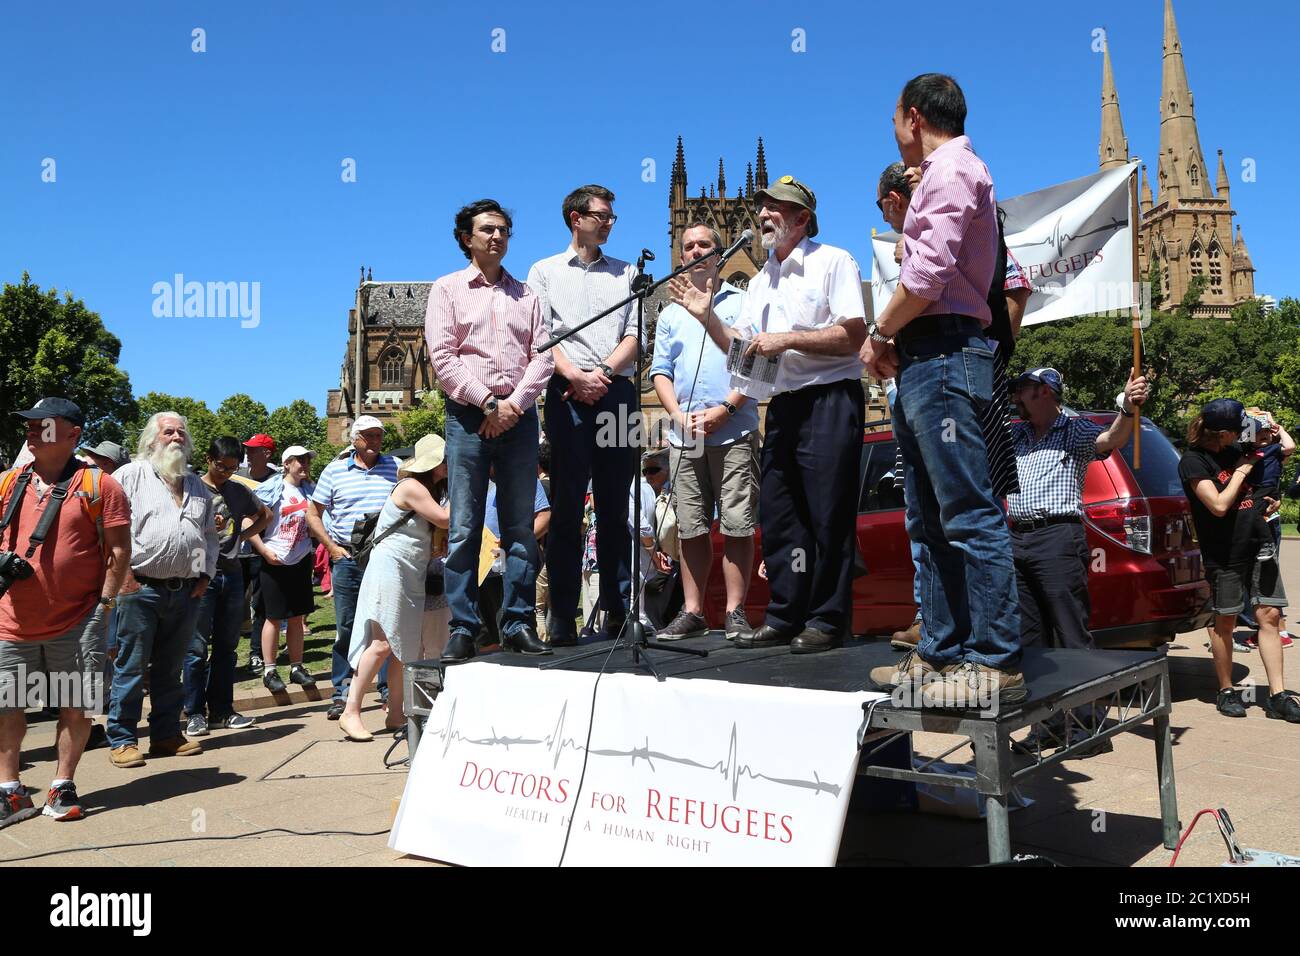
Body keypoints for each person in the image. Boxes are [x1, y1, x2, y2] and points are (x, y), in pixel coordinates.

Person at [862, 73, 1023, 708]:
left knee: (966, 512)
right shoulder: (939, 175)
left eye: (894, 121)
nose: (894, 133)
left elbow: (927, 273)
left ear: (912, 115)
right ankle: (945, 649)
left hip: (949, 351)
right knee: (928, 515)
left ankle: (993, 659)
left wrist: (878, 333)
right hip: (929, 353)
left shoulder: (952, 169)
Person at [669, 175, 867, 654]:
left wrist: (787, 338)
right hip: (782, 405)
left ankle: (827, 618)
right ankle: (786, 614)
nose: (763, 216)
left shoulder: (833, 261)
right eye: (761, 208)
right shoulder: (760, 281)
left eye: (775, 208)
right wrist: (707, 317)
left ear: (802, 218)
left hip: (829, 398)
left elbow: (854, 335)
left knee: (826, 515)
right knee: (781, 516)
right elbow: (743, 355)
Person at [875, 161, 1033, 650]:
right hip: (922, 371)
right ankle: (938, 629)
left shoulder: (966, 222)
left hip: (961, 367)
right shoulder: (915, 237)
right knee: (924, 515)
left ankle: (990, 648)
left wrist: (989, 346)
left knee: (970, 509)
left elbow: (1017, 286)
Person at [427, 198, 554, 664]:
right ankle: (464, 626)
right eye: (487, 230)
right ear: (467, 238)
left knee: (521, 526)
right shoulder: (447, 289)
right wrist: (487, 402)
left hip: (518, 419)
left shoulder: (529, 296)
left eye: (504, 230)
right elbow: (443, 357)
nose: (497, 236)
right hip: (467, 416)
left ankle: (517, 622)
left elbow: (542, 356)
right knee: (463, 526)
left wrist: (513, 406)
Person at [0, 399, 131, 825]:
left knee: (74, 706)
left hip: (78, 618)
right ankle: (11, 790)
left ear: (73, 434)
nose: (33, 431)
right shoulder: (6, 482)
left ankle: (62, 784)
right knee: (7, 705)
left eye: (44, 426)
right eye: (30, 425)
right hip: (10, 620)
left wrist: (105, 604)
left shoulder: (100, 485)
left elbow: (118, 550)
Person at [528, 184, 642, 647]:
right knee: (567, 508)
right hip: (566, 392)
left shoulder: (628, 271)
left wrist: (602, 373)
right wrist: (575, 376)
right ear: (576, 218)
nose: (610, 222)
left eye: (612, 216)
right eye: (602, 216)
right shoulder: (545, 272)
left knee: (616, 507)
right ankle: (561, 616)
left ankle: (617, 611)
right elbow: (539, 337)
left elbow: (634, 334)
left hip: (616, 392)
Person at [651, 224, 760, 642]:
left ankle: (735, 612)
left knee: (737, 524)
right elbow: (660, 371)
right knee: (691, 526)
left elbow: (753, 364)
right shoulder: (669, 312)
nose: (696, 250)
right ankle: (693, 611)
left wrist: (727, 408)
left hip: (733, 429)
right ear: (680, 257)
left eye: (705, 245)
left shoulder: (744, 301)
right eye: (689, 245)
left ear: (719, 252)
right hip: (685, 436)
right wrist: (676, 415)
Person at [108, 412, 218, 767]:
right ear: (151, 440)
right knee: (131, 667)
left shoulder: (197, 485)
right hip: (139, 587)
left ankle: (166, 735)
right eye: (168, 432)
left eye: (181, 433)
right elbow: (105, 528)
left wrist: (204, 573)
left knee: (170, 669)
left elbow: (208, 537)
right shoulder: (128, 476)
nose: (176, 438)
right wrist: (119, 575)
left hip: (185, 591)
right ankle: (123, 739)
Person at [1179, 399, 1299, 723]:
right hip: (1224, 553)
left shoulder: (1238, 450)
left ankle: (1278, 695)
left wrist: (1271, 502)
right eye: (1238, 428)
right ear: (1223, 432)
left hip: (1258, 544)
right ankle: (1226, 690)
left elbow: (1261, 485)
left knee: (1270, 616)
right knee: (1226, 622)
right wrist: (1243, 469)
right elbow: (1217, 505)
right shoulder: (1194, 461)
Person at [341, 434, 450, 741]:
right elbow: (445, 518)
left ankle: (396, 713)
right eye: (445, 459)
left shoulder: (428, 490)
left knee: (405, 646)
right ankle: (351, 712)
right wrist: (464, 488)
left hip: (410, 571)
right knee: (383, 643)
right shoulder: (411, 486)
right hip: (390, 568)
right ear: (433, 463)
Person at [307, 417, 399, 718]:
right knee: (347, 627)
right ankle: (342, 691)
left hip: (385, 558)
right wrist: (333, 549)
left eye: (379, 436)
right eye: (369, 436)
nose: (375, 441)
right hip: (348, 559)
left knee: (385, 626)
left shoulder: (396, 467)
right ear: (355, 438)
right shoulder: (334, 472)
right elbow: (313, 514)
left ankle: (387, 690)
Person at [182, 436, 270, 736]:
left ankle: (222, 710)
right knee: (195, 648)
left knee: (227, 647)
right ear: (208, 459)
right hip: (197, 572)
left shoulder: (237, 490)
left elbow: (264, 516)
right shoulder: (190, 487)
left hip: (231, 572)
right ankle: (194, 712)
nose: (226, 473)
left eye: (232, 468)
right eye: (221, 466)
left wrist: (241, 538)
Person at [249, 446, 320, 694]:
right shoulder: (272, 488)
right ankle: (270, 669)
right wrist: (264, 550)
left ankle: (296, 667)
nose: (305, 464)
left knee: (297, 616)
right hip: (274, 560)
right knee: (273, 616)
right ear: (287, 463)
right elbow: (250, 521)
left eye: (306, 460)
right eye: (299, 460)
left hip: (300, 559)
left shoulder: (310, 491)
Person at [237, 434, 279, 672]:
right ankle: (226, 654)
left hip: (264, 552)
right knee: (232, 606)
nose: (248, 454)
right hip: (235, 553)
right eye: (247, 449)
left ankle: (256, 654)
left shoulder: (278, 481)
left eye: (254, 450)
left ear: (267, 454)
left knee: (262, 606)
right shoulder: (236, 477)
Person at [631, 448, 674, 632]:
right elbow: (642, 527)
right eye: (645, 471)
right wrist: (654, 553)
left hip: (666, 566)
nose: (648, 475)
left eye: (653, 470)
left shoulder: (672, 492)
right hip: (647, 567)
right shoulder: (641, 488)